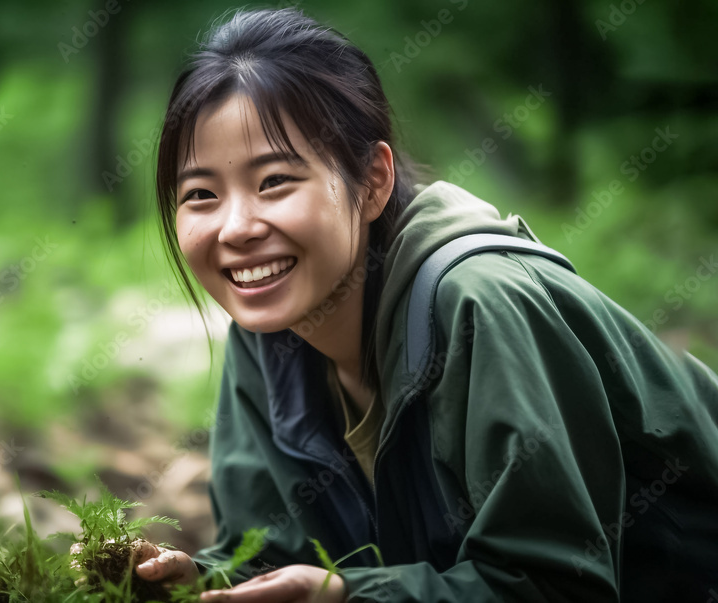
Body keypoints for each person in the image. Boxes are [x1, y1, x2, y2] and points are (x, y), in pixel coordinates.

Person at [128, 6, 718, 602]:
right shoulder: (267, 330)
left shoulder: (481, 304)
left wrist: (346, 597)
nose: (236, 228)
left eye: (275, 181)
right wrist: (203, 582)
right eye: (201, 193)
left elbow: (558, 586)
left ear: (373, 181)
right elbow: (276, 555)